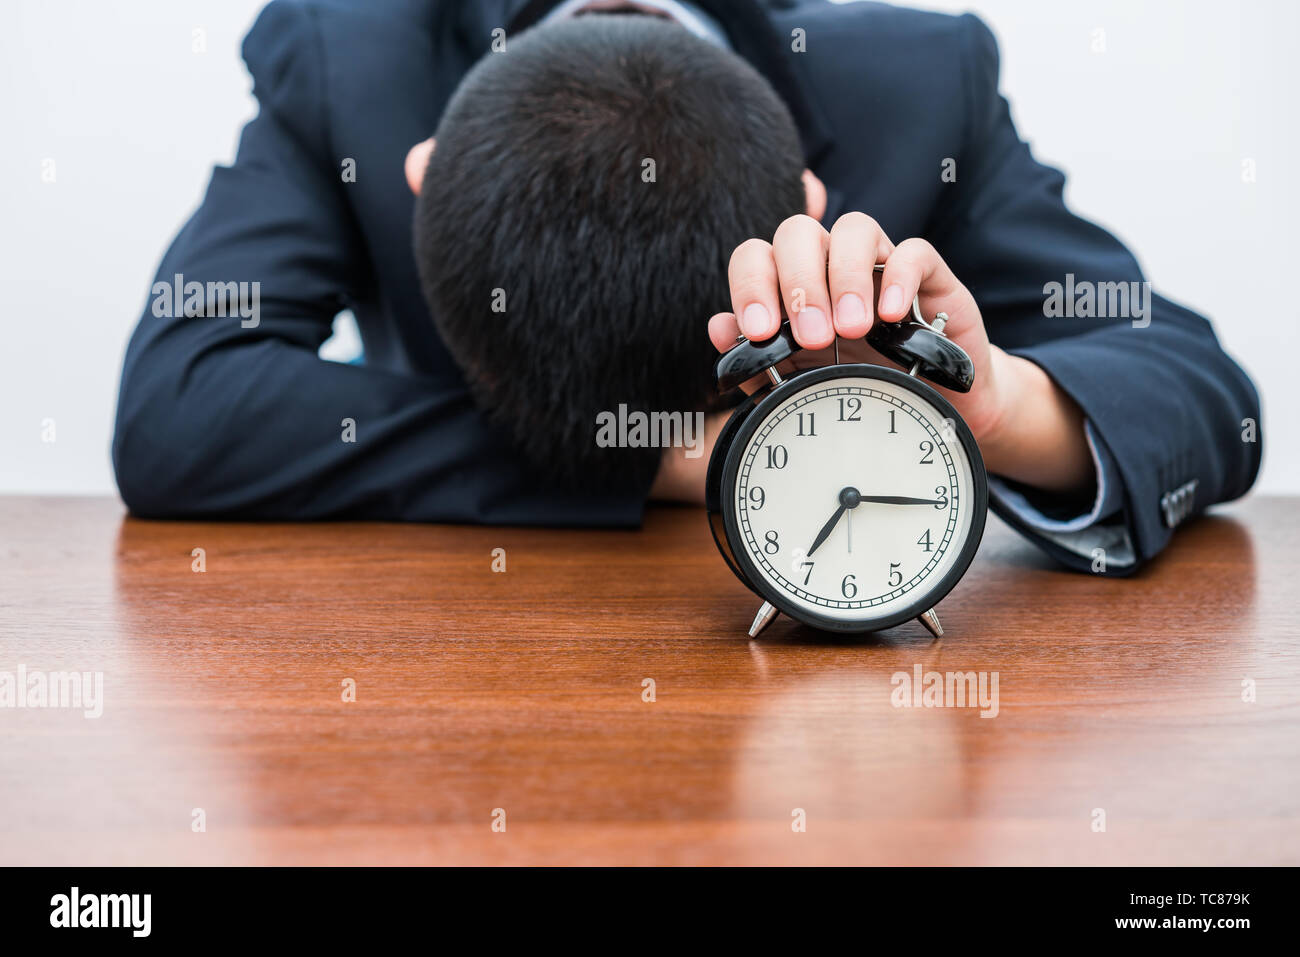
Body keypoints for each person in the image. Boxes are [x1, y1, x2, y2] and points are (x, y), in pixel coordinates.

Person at [113, 0, 1261, 575]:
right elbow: (179, 403)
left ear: (805, 200)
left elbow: (1200, 386)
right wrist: (673, 457)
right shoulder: (348, 52)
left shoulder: (916, 81)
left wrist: (1002, 405)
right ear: (427, 180)